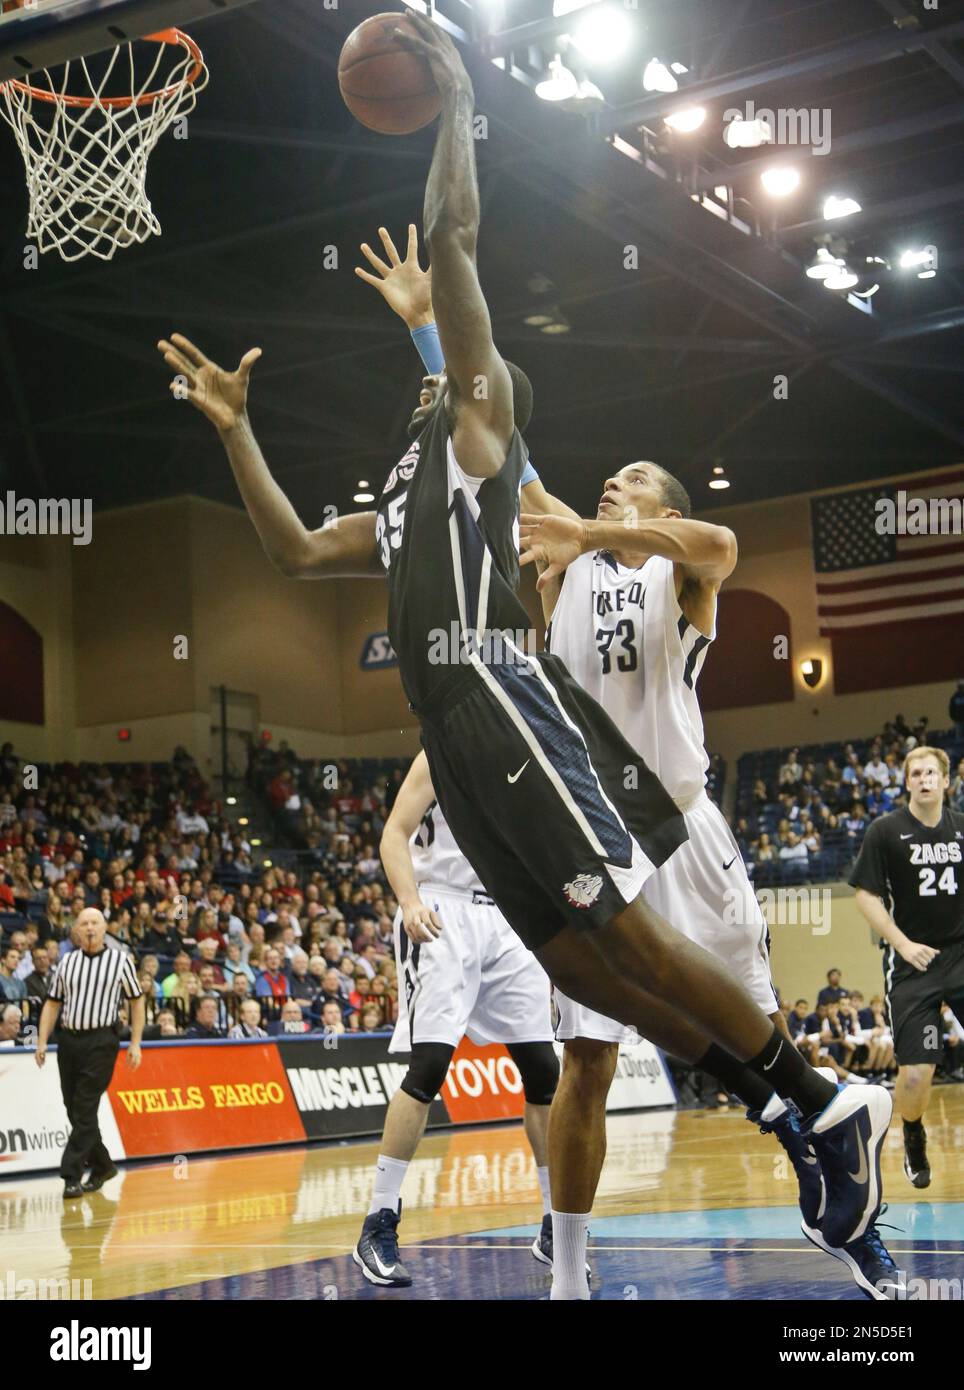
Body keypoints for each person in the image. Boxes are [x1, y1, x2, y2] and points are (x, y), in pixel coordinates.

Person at [157, 10, 891, 1290]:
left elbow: (454, 242)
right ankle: (789, 1111)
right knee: (583, 964)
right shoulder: (399, 486)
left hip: (503, 689)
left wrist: (452, 108)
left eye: (461, 357)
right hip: (450, 725)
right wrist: (235, 431)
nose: (451, 356)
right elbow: (287, 552)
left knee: (623, 938)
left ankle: (816, 1095)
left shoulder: (481, 438)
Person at [353, 752, 557, 1289]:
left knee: (544, 1072)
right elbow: (393, 834)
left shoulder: (525, 747)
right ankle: (378, 1221)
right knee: (429, 1069)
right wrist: (409, 900)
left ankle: (556, 1222)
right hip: (442, 910)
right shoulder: (442, 750)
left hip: (509, 915)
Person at [851, 746, 964, 1192]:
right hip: (913, 961)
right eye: (915, 773)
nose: (924, 779)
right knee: (918, 1070)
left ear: (945, 780)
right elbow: (865, 895)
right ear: (906, 782)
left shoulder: (960, 828)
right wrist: (901, 943)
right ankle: (914, 1133)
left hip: (961, 952)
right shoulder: (886, 831)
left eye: (931, 772)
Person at [35, 909, 143, 1198]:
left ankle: (71, 1173)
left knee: (83, 1106)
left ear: (105, 927)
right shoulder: (67, 962)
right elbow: (52, 1003)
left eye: (95, 923)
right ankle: (103, 1165)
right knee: (74, 1108)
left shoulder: (121, 961)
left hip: (101, 1041)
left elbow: (136, 1001)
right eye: (84, 923)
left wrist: (135, 1042)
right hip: (69, 1041)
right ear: (77, 931)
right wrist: (42, 1040)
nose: (90, 928)